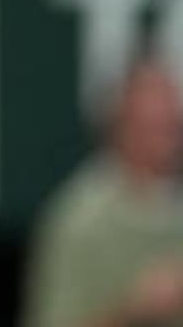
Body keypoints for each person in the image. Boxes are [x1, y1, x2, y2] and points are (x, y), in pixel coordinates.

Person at [24, 55, 183, 327]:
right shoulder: (81, 220)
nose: (168, 140)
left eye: (172, 126)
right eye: (152, 127)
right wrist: (134, 307)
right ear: (119, 127)